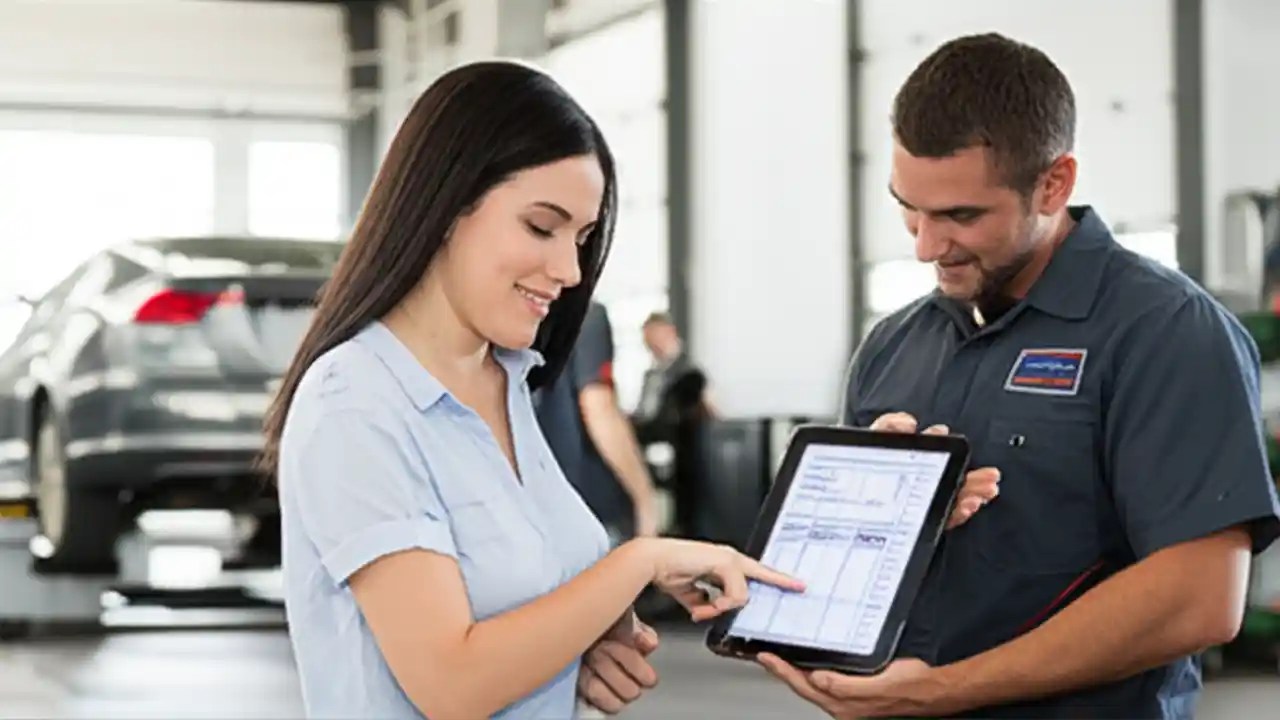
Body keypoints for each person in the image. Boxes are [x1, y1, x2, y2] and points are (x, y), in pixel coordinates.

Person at [258, 60, 804, 720]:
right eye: (541, 227)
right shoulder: (356, 403)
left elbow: (507, 617)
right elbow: (452, 682)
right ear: (444, 206)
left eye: (582, 237)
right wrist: (638, 563)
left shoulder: (508, 380)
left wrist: (571, 650)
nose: (570, 269)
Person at [758, 33, 1280, 719]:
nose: (924, 245)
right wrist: (873, 507)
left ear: (1053, 183)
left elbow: (1199, 598)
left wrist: (940, 692)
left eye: (961, 216)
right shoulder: (894, 343)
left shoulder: (1166, 331)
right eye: (908, 207)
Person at [534, 300, 661, 541]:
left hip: (539, 505)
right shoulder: (585, 314)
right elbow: (599, 408)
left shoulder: (507, 319)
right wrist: (645, 499)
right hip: (591, 503)